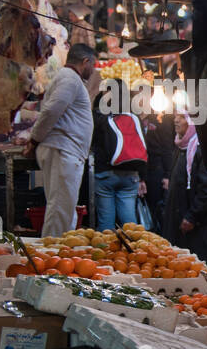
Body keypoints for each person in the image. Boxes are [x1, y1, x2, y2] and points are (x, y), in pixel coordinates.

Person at [25, 43, 96, 236]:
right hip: (63, 150)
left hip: (64, 150)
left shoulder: (67, 78)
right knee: (60, 211)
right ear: (85, 61)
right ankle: (52, 256)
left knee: (63, 209)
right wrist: (34, 140)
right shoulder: (70, 79)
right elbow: (51, 111)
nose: (94, 70)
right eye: (93, 65)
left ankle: (60, 253)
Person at [164, 113, 207, 276]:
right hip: (182, 224)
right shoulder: (183, 147)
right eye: (176, 115)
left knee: (199, 274)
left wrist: (192, 216)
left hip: (196, 229)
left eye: (183, 117)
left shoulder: (205, 149)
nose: (176, 120)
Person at [89, 78, 148, 229]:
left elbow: (91, 141)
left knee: (106, 223)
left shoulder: (99, 116)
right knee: (129, 223)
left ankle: (107, 251)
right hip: (130, 174)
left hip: (105, 174)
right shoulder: (134, 116)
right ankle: (133, 249)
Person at [143, 110, 177, 233]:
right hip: (144, 168)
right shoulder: (138, 117)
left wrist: (167, 174)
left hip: (157, 169)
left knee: (157, 207)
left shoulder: (162, 118)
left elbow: (167, 147)